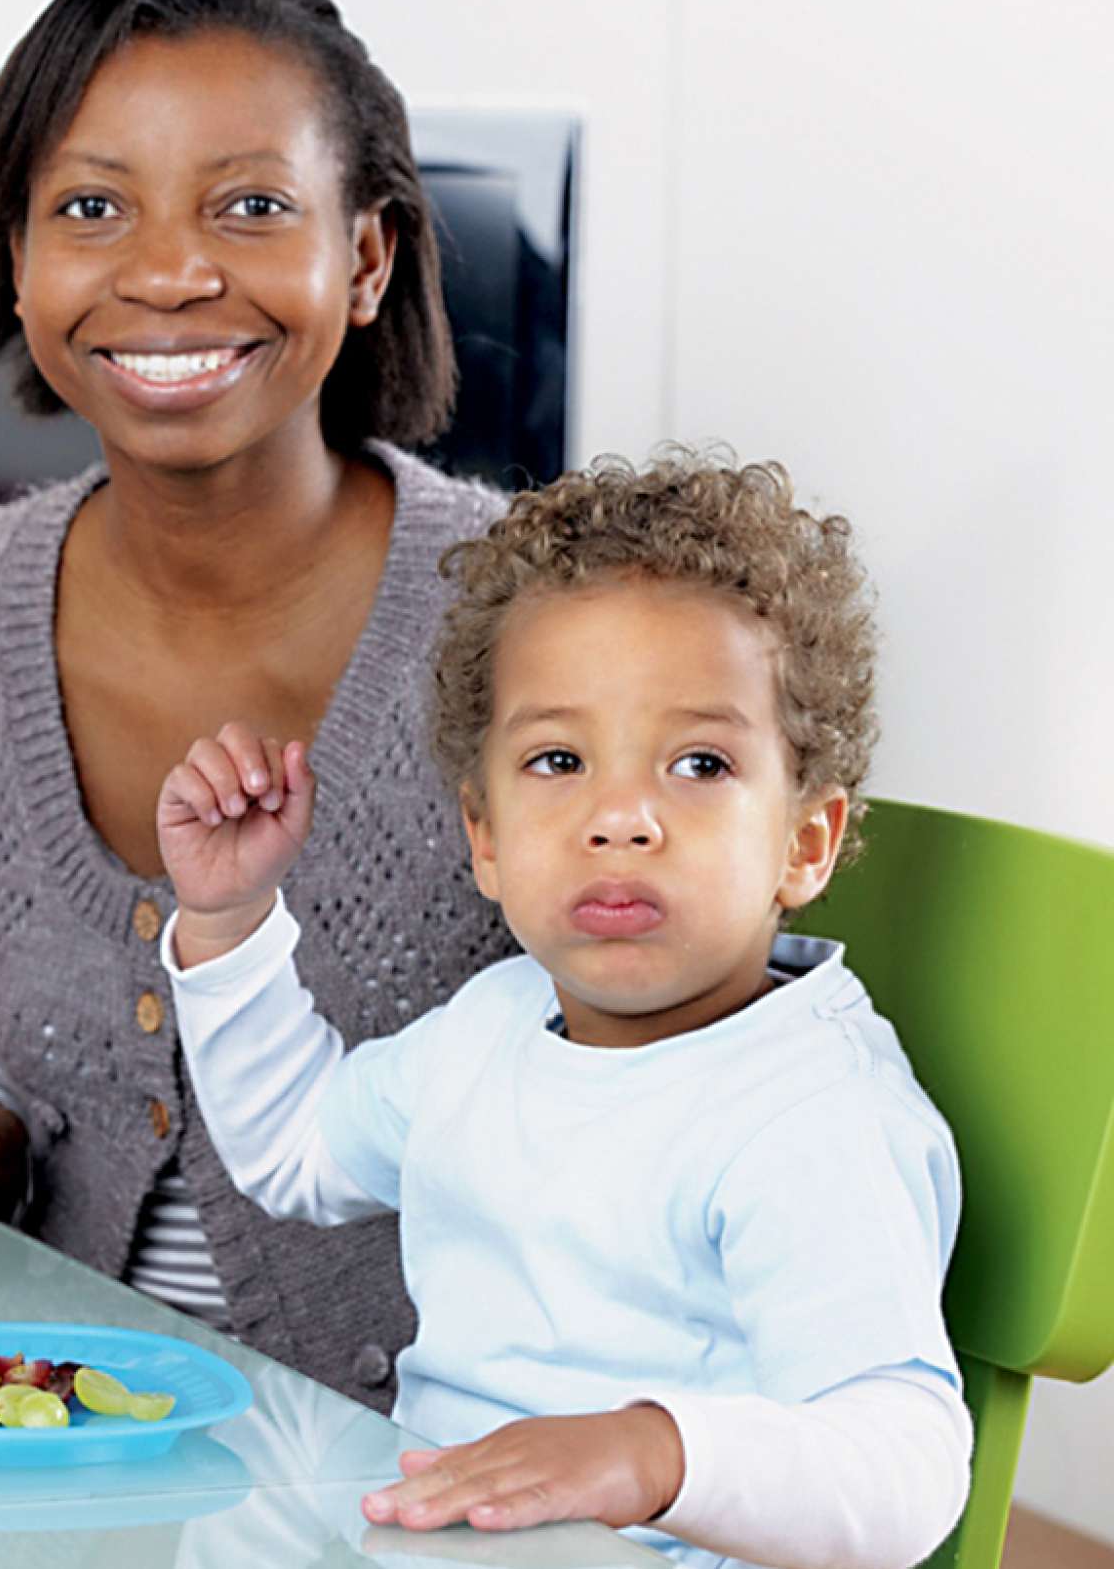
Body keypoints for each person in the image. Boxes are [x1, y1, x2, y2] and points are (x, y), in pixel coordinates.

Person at [0, 0, 515, 1403]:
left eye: (253, 205)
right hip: (53, 1455)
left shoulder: (544, 635)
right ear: (20, 259)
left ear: (369, 256)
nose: (168, 269)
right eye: (90, 206)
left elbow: (675, 1071)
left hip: (448, 1473)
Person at [158, 453, 968, 1569]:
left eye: (698, 761)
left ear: (805, 841)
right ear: (483, 837)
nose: (620, 816)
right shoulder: (490, 1027)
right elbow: (295, 1152)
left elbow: (904, 1470)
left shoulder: (813, 1117)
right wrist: (232, 920)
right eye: (556, 759)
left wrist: (653, 1455)